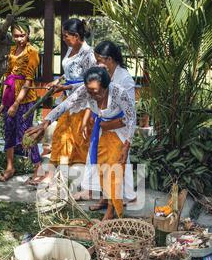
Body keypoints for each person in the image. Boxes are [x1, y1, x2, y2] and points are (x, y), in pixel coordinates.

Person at [26, 66, 136, 220]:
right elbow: (65, 105)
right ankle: (107, 202)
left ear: (106, 86)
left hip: (120, 130)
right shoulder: (85, 91)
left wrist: (127, 145)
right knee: (103, 169)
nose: (92, 95)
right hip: (101, 129)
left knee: (114, 169)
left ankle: (112, 210)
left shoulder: (119, 93)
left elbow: (131, 119)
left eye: (96, 91)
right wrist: (45, 123)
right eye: (89, 91)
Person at [75, 40, 137, 208]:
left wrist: (109, 125)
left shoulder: (125, 79)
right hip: (102, 125)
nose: (97, 64)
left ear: (109, 59)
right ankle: (105, 198)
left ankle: (115, 200)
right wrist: (88, 117)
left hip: (119, 128)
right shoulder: (104, 73)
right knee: (101, 162)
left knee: (115, 164)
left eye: (99, 60)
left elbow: (131, 113)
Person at [46, 18, 96, 169]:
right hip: (67, 100)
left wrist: (66, 88)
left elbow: (92, 81)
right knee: (60, 134)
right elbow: (69, 72)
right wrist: (58, 81)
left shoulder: (89, 54)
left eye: (66, 35)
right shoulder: (69, 49)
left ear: (75, 35)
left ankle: (83, 175)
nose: (64, 39)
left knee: (80, 138)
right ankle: (59, 169)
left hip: (83, 102)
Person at [0, 22, 41, 183]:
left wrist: (16, 104)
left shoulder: (33, 52)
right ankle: (10, 167)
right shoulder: (11, 51)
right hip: (9, 97)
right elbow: (7, 78)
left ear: (28, 35)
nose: (19, 39)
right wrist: (4, 103)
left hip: (26, 99)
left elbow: (29, 81)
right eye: (16, 35)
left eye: (22, 35)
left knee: (26, 133)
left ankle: (38, 168)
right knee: (8, 131)